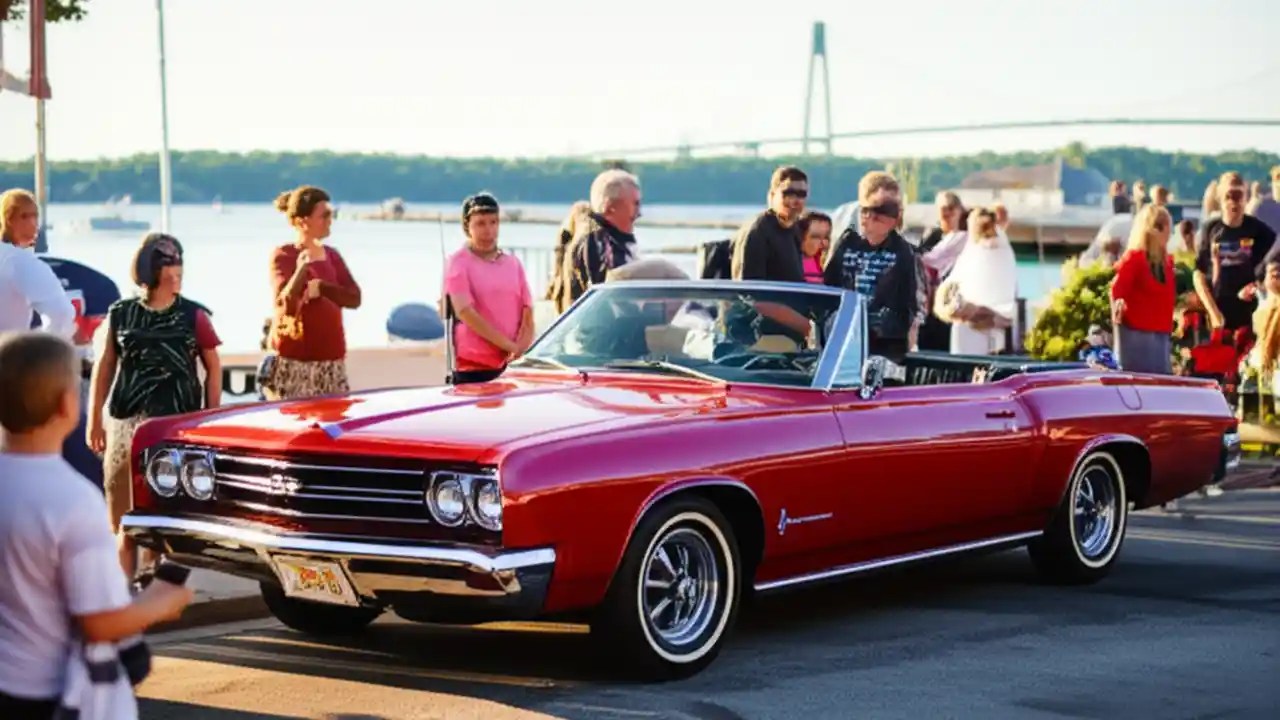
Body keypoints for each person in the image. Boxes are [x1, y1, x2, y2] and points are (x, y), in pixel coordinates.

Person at [0, 332, 193, 720]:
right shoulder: (73, 500)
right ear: (67, 405)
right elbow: (100, 623)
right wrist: (161, 602)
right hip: (44, 696)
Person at [87, 234, 222, 583]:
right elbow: (105, 367)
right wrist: (94, 420)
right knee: (121, 506)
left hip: (172, 423)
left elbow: (213, 367)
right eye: (166, 260)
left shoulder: (194, 315)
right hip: (126, 420)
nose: (174, 266)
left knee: (163, 502)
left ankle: (151, 576)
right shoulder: (122, 313)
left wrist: (210, 418)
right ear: (148, 265)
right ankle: (121, 587)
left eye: (177, 259)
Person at [263, 185, 362, 400]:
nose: (330, 220)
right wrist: (301, 270)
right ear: (302, 222)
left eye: (331, 214)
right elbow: (286, 305)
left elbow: (354, 298)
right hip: (295, 363)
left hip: (331, 363)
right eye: (324, 215)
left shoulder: (332, 256)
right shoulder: (284, 255)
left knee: (333, 426)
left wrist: (323, 288)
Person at [823, 171, 918, 361]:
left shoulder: (903, 250)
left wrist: (909, 330)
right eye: (883, 207)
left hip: (885, 340)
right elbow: (829, 285)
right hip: (845, 334)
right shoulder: (845, 240)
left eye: (895, 207)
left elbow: (908, 298)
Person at [442, 193, 534, 385]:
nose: (488, 230)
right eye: (480, 224)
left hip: (511, 366)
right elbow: (465, 311)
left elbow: (527, 311)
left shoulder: (513, 264)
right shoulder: (457, 263)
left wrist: (521, 350)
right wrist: (508, 346)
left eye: (493, 222)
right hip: (473, 366)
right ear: (467, 227)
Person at [1193, 171, 1278, 336]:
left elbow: (1275, 261)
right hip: (1217, 312)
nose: (1234, 202)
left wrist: (1258, 286)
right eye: (1228, 196)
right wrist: (1212, 311)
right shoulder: (1210, 229)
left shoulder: (1258, 229)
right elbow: (1199, 273)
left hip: (1248, 314)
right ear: (1220, 198)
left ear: (1246, 198)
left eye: (1238, 195)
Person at [934, 207, 1017, 355]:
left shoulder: (976, 252)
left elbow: (950, 290)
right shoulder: (1002, 249)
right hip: (996, 323)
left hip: (974, 325)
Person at [1110, 205, 1176, 374]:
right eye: (1163, 227)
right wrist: (1119, 307)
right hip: (1137, 335)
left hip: (1161, 333)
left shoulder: (1166, 262)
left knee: (1161, 382)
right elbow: (1117, 290)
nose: (1168, 233)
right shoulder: (1135, 259)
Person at [0, 189, 75, 336]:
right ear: (7, 220)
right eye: (24, 217)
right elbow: (60, 314)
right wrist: (37, 353)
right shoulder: (19, 261)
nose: (33, 223)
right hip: (8, 355)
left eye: (35, 216)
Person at [562, 169, 642, 304]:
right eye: (635, 204)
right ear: (610, 207)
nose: (639, 213)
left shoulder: (607, 240)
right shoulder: (597, 242)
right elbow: (609, 298)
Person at [730, 166, 808, 282]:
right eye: (788, 193)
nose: (795, 200)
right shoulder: (758, 231)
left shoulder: (794, 230)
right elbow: (747, 288)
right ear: (772, 195)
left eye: (801, 194)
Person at [796, 210, 832, 283]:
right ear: (801, 238)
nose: (823, 243)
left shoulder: (826, 264)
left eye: (826, 237)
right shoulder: (793, 266)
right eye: (816, 237)